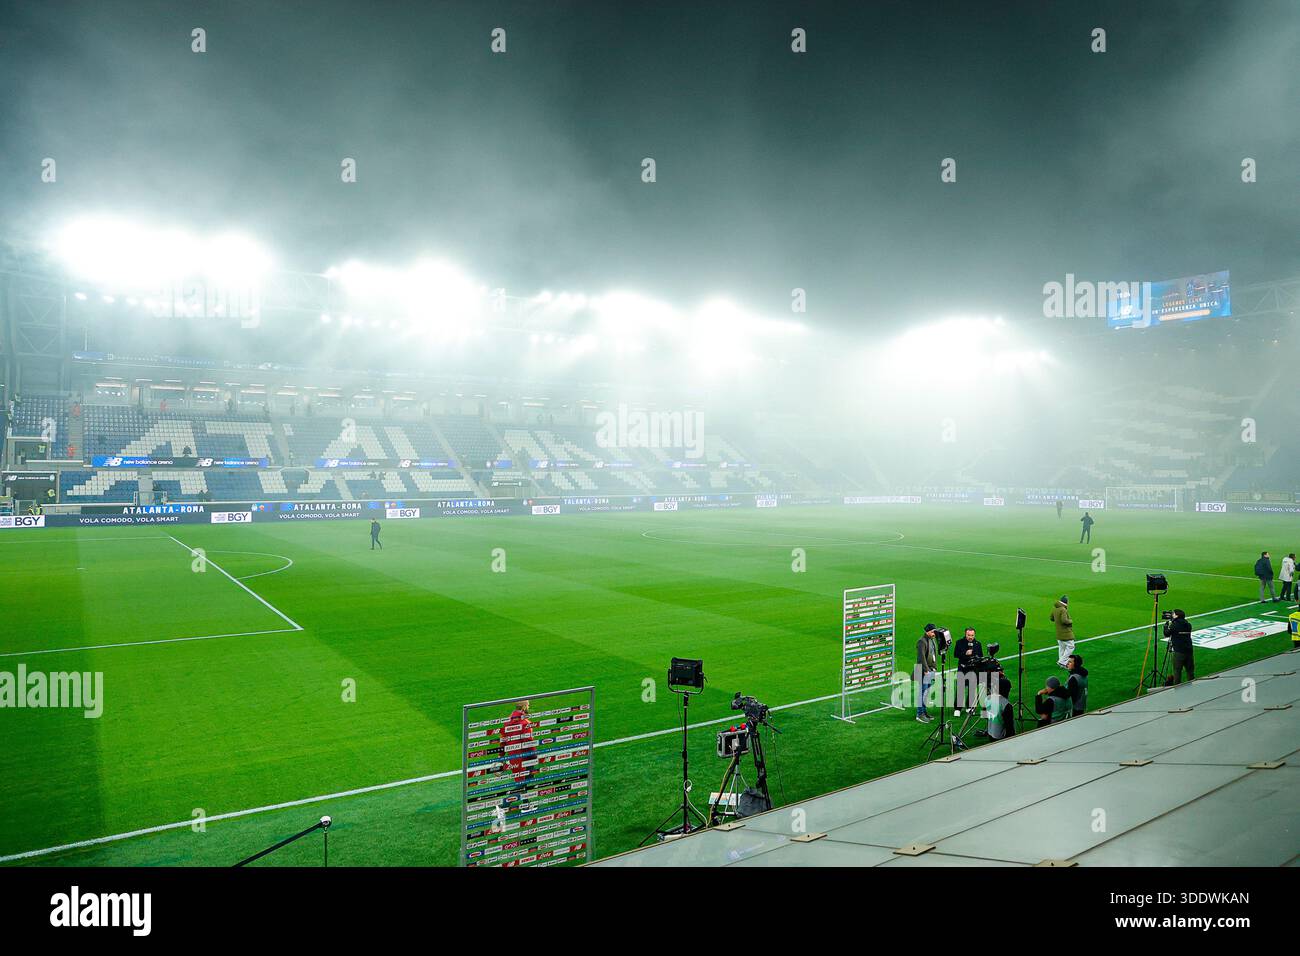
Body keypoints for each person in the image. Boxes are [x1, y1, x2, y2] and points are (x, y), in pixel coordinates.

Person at [953, 626, 982, 716]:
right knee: (960, 688)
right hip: (963, 668)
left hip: (973, 669)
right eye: (969, 635)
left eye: (972, 635)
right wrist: (965, 653)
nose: (970, 637)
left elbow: (981, 656)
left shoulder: (978, 644)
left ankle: (969, 707)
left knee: (972, 689)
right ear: (965, 634)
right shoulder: (959, 643)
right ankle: (957, 708)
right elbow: (955, 654)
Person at [914, 624, 939, 724]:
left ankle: (924, 712)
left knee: (926, 693)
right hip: (924, 671)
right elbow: (921, 658)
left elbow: (933, 654)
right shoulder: (922, 641)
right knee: (922, 693)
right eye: (932, 632)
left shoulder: (931, 640)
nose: (934, 634)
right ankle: (920, 714)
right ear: (927, 631)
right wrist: (926, 670)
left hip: (930, 669)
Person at [1165, 608, 1194, 684]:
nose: (1172, 615)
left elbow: (1166, 634)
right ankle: (1192, 686)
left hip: (1179, 651)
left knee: (1177, 672)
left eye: (1173, 614)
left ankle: (1177, 688)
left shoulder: (1174, 625)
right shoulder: (1188, 624)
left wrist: (1166, 626)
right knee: (1190, 671)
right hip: (1189, 650)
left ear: (1177, 615)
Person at [983, 673, 1016, 740]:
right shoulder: (1006, 704)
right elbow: (1009, 727)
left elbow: (984, 715)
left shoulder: (987, 698)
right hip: (1002, 737)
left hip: (991, 732)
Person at [1050, 595, 1075, 669]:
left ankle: (1061, 663)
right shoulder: (1063, 609)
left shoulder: (1055, 609)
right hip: (1065, 633)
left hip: (1058, 632)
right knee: (1071, 646)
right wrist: (1070, 621)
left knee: (1062, 647)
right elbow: (1064, 620)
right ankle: (1062, 661)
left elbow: (1051, 618)